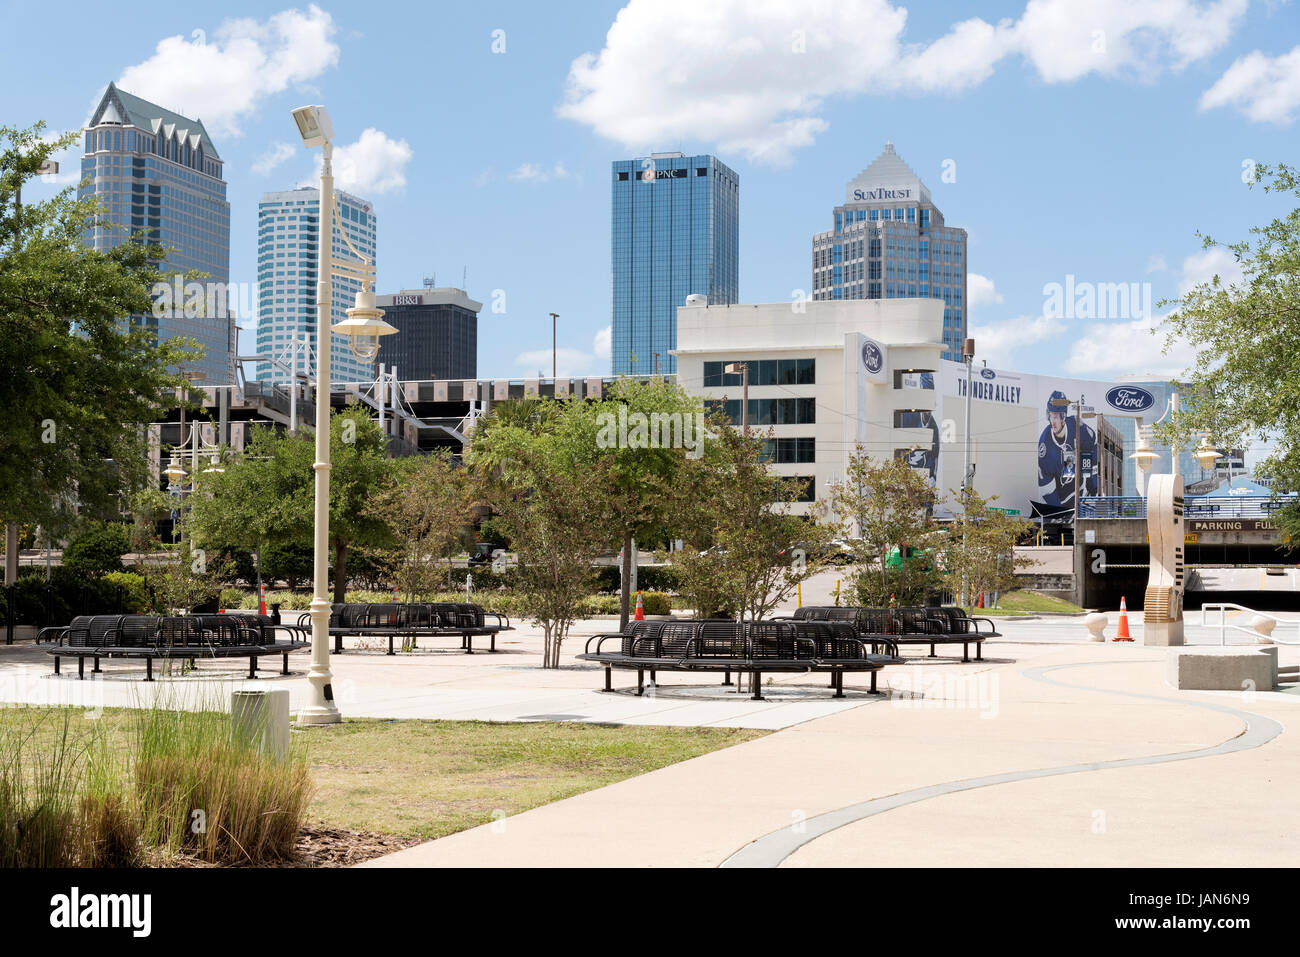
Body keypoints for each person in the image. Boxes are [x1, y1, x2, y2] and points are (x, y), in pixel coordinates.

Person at [1035, 390, 1097, 520]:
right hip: (1063, 502)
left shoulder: (1078, 427)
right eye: (1051, 416)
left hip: (1082, 496)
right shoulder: (1044, 443)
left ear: (1063, 416)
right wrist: (1060, 513)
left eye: (1056, 416)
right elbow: (1046, 488)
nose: (1053, 421)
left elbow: (1093, 446)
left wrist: (1093, 483)